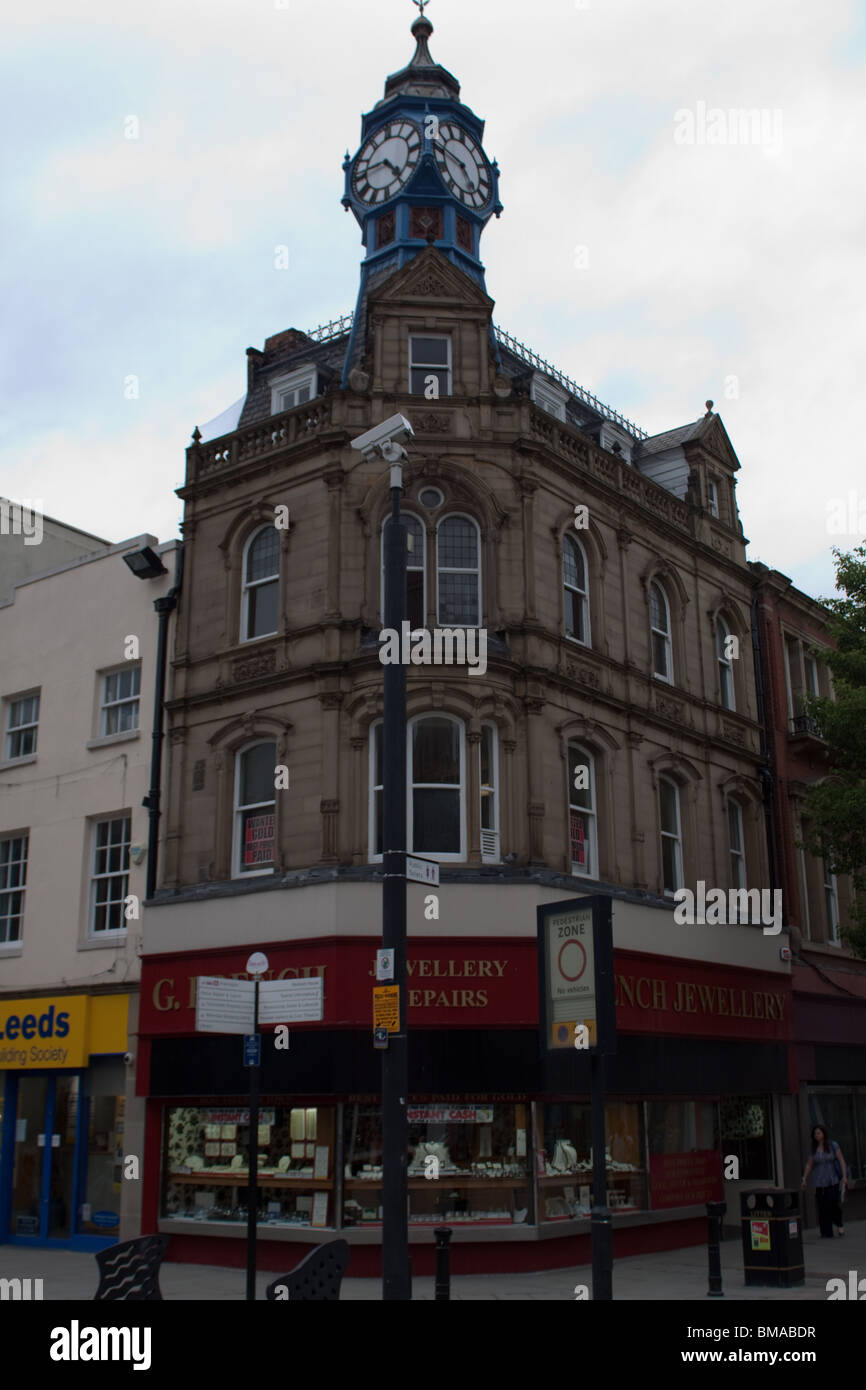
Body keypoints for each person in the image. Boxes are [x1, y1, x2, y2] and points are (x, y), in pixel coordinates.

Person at [801, 1125, 847, 1237]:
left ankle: (839, 1223)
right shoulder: (814, 1148)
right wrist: (804, 1178)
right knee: (822, 1207)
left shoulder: (833, 1145)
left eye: (819, 1133)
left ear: (823, 1134)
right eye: (815, 1134)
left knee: (833, 1204)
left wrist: (845, 1176)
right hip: (819, 1183)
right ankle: (826, 1232)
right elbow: (809, 1164)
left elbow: (841, 1160)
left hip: (832, 1180)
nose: (817, 1135)